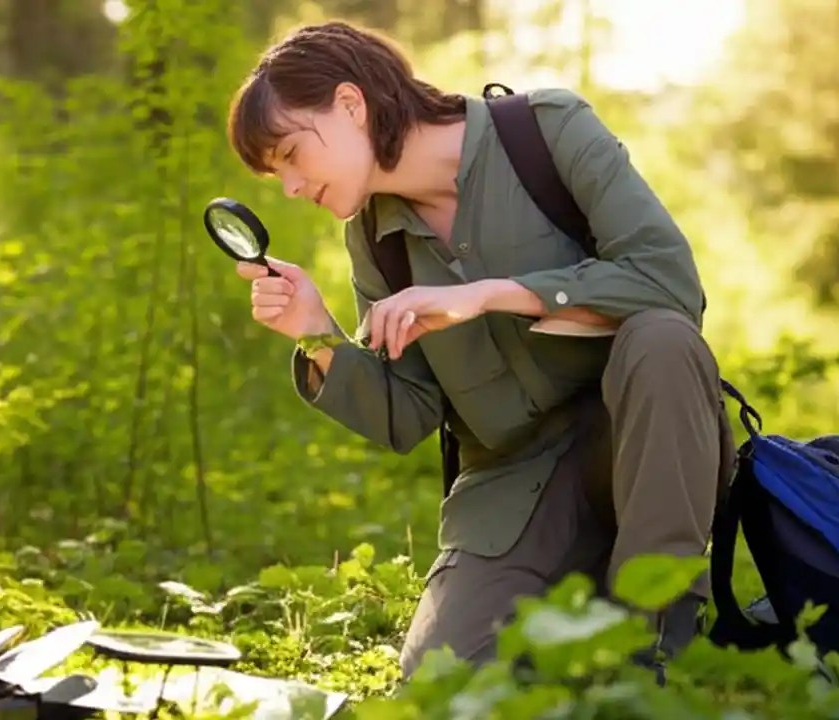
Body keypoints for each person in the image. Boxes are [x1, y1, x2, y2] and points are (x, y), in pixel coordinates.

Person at [224, 20, 734, 681]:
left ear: (350, 105)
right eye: (276, 175)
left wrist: (494, 293)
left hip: (644, 441)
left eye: (291, 155)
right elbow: (406, 414)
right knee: (440, 687)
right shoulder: (375, 239)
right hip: (513, 490)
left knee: (662, 338)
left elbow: (670, 283)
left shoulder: (547, 132)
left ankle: (657, 649)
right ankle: (576, 620)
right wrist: (317, 331)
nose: (291, 186)